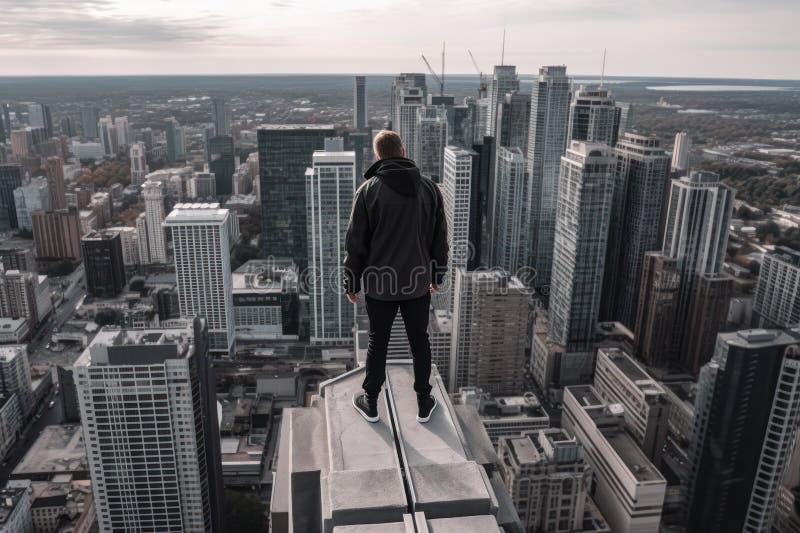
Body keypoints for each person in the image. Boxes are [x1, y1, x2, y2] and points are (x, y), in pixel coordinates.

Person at [343, 130, 448, 424]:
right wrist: (437, 275)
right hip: (417, 283)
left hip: (380, 285)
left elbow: (355, 244)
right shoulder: (430, 189)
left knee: (378, 342)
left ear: (378, 156)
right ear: (402, 151)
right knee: (420, 342)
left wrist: (351, 282)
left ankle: (371, 402)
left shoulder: (367, 191)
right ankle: (424, 402)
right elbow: (440, 239)